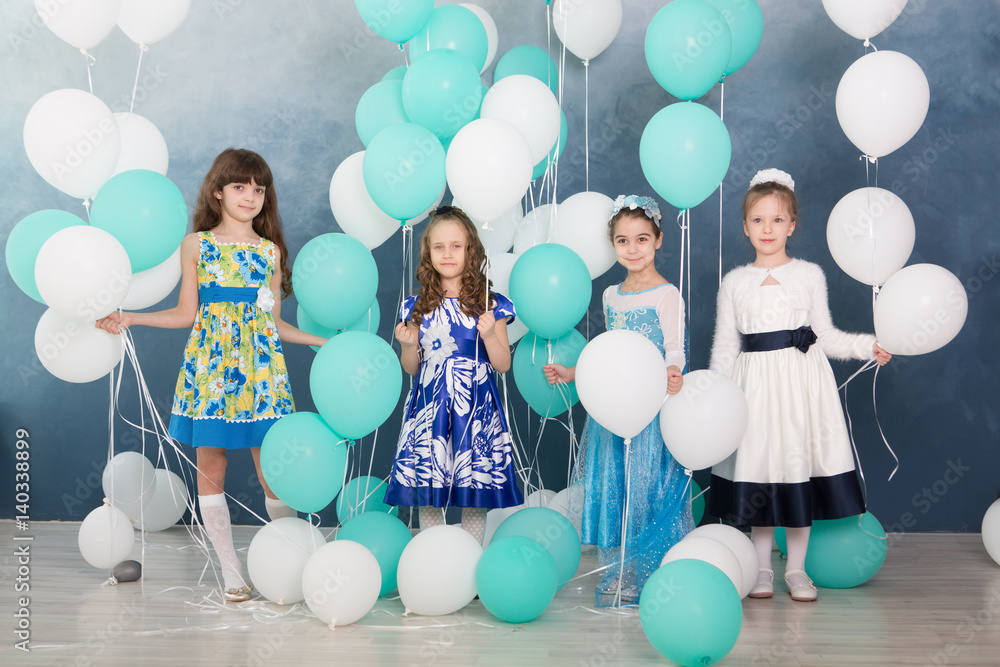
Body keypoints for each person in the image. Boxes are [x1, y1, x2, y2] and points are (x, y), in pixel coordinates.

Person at [96, 148, 327, 602]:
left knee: (273, 472)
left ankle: (291, 560)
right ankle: (230, 569)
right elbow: (187, 313)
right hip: (212, 369)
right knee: (212, 465)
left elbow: (275, 324)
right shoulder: (197, 245)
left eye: (259, 189)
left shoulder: (269, 252)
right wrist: (133, 318)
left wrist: (323, 343)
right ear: (218, 191)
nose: (251, 197)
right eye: (240, 187)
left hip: (262, 373)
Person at [708, 168, 892, 602]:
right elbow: (723, 348)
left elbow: (825, 335)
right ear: (745, 226)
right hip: (752, 388)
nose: (767, 229)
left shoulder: (808, 274)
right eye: (758, 220)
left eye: (777, 220)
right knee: (758, 469)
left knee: (795, 468)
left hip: (801, 387)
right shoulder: (734, 282)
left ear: (792, 225)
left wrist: (869, 346)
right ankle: (759, 570)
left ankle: (795, 569)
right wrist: (713, 399)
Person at [543, 195, 693, 606]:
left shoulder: (667, 294)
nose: (633, 249)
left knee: (648, 485)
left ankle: (652, 570)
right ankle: (620, 569)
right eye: (623, 241)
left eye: (642, 239)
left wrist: (673, 370)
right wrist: (574, 373)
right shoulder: (611, 295)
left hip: (649, 408)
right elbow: (607, 352)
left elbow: (675, 347)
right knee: (617, 486)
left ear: (658, 240)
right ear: (613, 245)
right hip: (613, 410)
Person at [384, 205, 522, 544]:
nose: (448, 254)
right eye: (439, 247)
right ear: (428, 253)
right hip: (429, 407)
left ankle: (470, 562)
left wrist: (489, 335)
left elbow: (503, 364)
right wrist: (406, 346)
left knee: (473, 485)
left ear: (470, 250)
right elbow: (412, 368)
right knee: (430, 487)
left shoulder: (492, 303)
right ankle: (434, 558)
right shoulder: (414, 307)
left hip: (474, 407)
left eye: (456, 246)